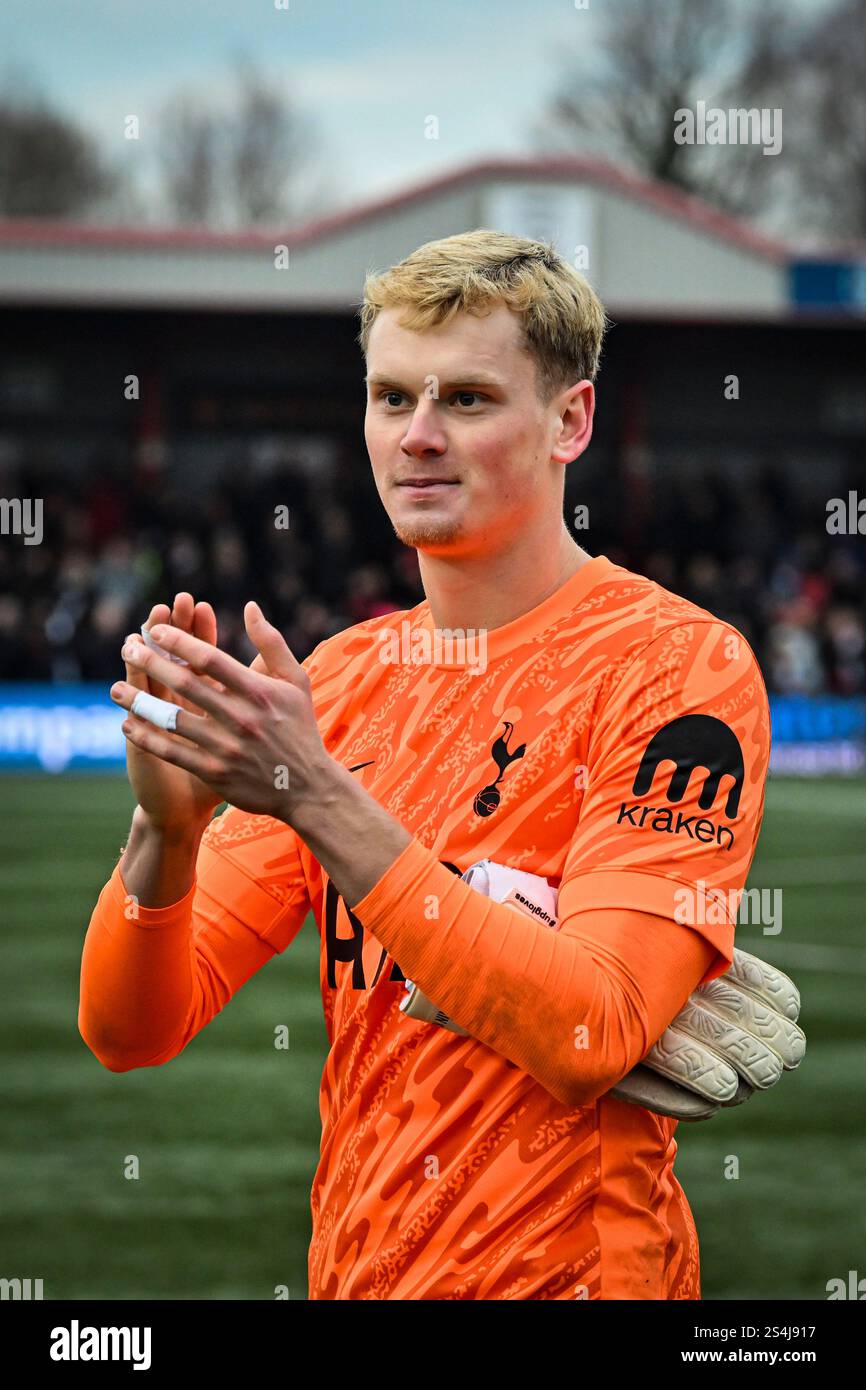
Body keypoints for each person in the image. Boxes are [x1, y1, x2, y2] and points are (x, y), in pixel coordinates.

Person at [79, 230, 771, 1300]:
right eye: (391, 397)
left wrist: (316, 796)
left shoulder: (674, 666)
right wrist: (163, 838)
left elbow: (592, 1027)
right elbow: (128, 1029)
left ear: (569, 421)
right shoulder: (341, 681)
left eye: (467, 399)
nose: (419, 437)